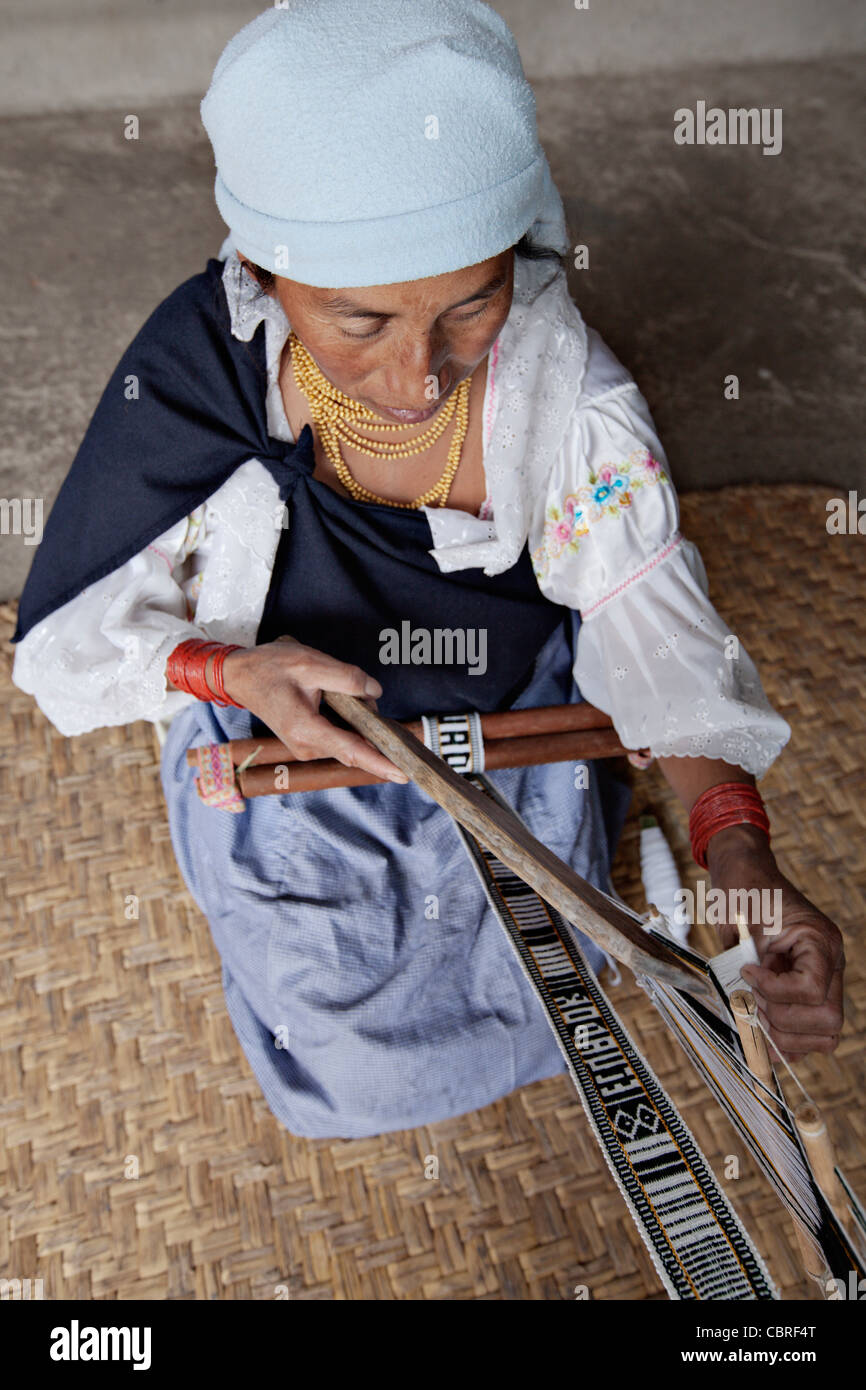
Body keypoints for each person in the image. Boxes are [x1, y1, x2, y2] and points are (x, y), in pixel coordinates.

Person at [11, 1, 844, 1140]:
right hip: (281, 735)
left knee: (559, 994)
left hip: (503, 718)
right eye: (357, 322)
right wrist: (227, 672)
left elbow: (643, 616)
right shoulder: (198, 376)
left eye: (471, 303)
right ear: (263, 271)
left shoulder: (563, 390)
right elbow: (69, 642)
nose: (418, 379)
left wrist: (736, 853)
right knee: (347, 1048)